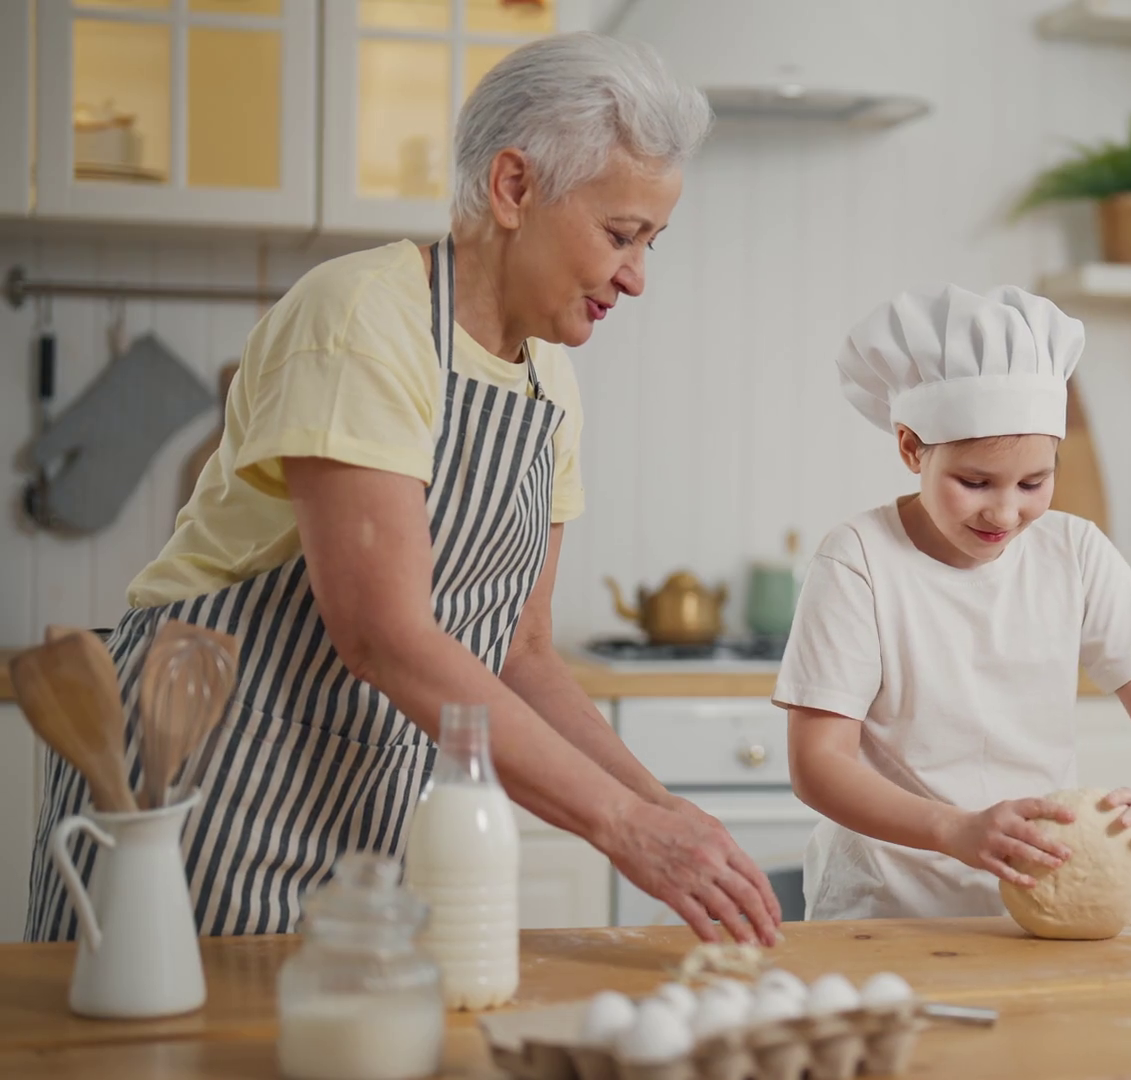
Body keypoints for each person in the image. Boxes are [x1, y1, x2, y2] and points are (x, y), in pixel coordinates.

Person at [26, 33, 781, 948]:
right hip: (196, 787)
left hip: (358, 811)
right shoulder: (362, 316)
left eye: (651, 241)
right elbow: (384, 634)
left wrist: (668, 815)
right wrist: (624, 831)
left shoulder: (548, 382)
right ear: (513, 189)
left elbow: (524, 653)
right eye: (621, 235)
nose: (638, 276)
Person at [775, 283, 1131, 920]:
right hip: (883, 915)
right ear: (910, 448)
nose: (1006, 512)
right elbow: (818, 764)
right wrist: (955, 830)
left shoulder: (1075, 552)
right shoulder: (858, 559)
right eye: (974, 482)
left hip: (1032, 912)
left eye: (1034, 482)